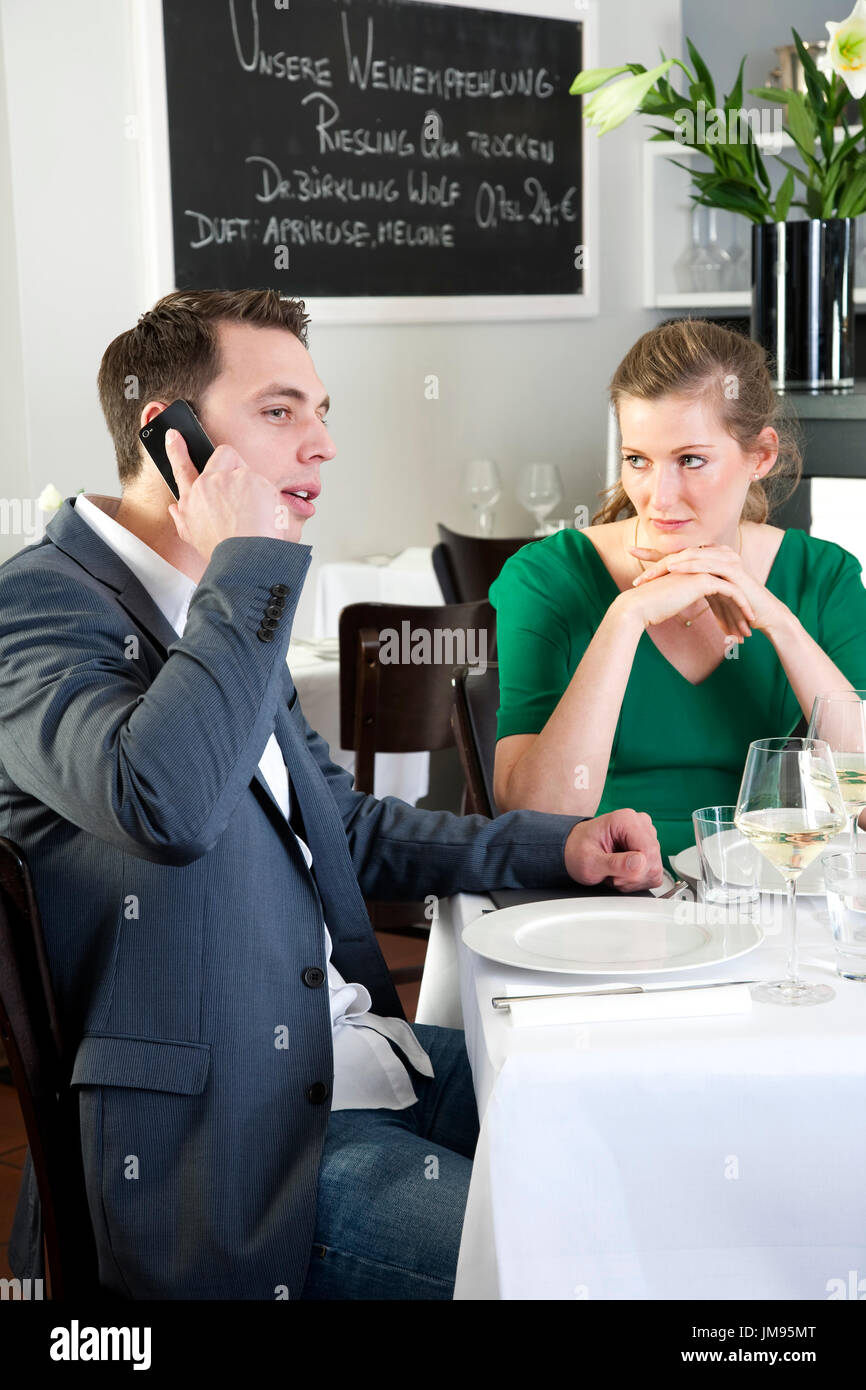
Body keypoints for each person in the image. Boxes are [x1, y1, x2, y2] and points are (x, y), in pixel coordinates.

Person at [0, 289, 662, 1301]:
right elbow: (159, 803)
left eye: (321, 411)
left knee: (646, 1141)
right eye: (279, 412)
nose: (322, 446)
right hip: (227, 1151)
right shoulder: (39, 603)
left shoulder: (223, 600)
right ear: (168, 434)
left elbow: (342, 827)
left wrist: (556, 848)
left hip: (353, 1058)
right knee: (572, 1266)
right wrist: (248, 565)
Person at [491, 318, 866, 866]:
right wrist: (625, 619)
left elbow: (859, 786)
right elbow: (536, 815)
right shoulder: (547, 576)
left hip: (765, 887)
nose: (658, 497)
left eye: (691, 460)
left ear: (760, 456)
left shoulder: (821, 576)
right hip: (601, 893)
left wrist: (780, 623)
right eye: (637, 460)